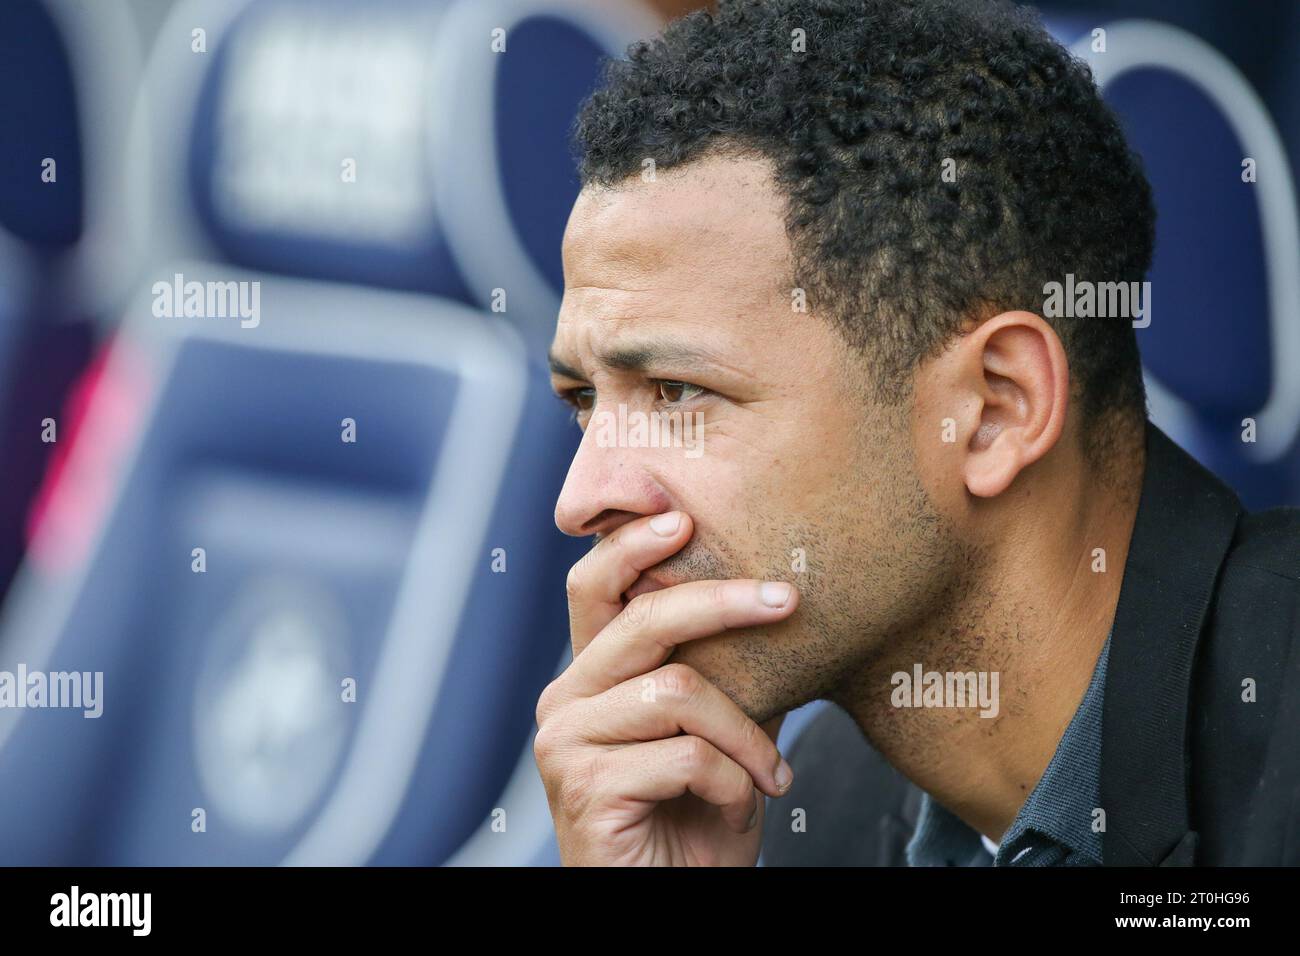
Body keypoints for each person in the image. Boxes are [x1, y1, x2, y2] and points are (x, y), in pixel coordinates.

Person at [532, 0, 1300, 866]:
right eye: (582, 401)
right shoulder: (784, 809)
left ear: (993, 410)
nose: (580, 501)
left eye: (677, 393)